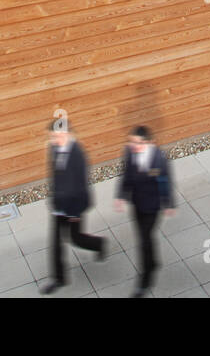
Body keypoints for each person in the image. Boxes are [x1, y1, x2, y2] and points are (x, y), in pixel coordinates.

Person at [40, 119, 105, 294]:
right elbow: (55, 175)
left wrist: (75, 212)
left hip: (74, 206)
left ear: (69, 134)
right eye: (53, 136)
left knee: (76, 238)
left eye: (58, 136)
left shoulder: (77, 155)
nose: (55, 139)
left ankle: (99, 244)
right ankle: (58, 278)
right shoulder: (54, 149)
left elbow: (80, 184)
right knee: (55, 243)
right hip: (59, 205)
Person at [114, 125, 175, 297]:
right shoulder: (129, 153)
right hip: (137, 204)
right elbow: (126, 175)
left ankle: (146, 276)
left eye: (138, 143)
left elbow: (166, 182)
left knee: (144, 239)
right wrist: (121, 196)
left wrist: (168, 203)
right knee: (145, 237)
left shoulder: (159, 159)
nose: (134, 146)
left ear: (150, 143)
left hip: (152, 207)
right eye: (132, 142)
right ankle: (154, 262)